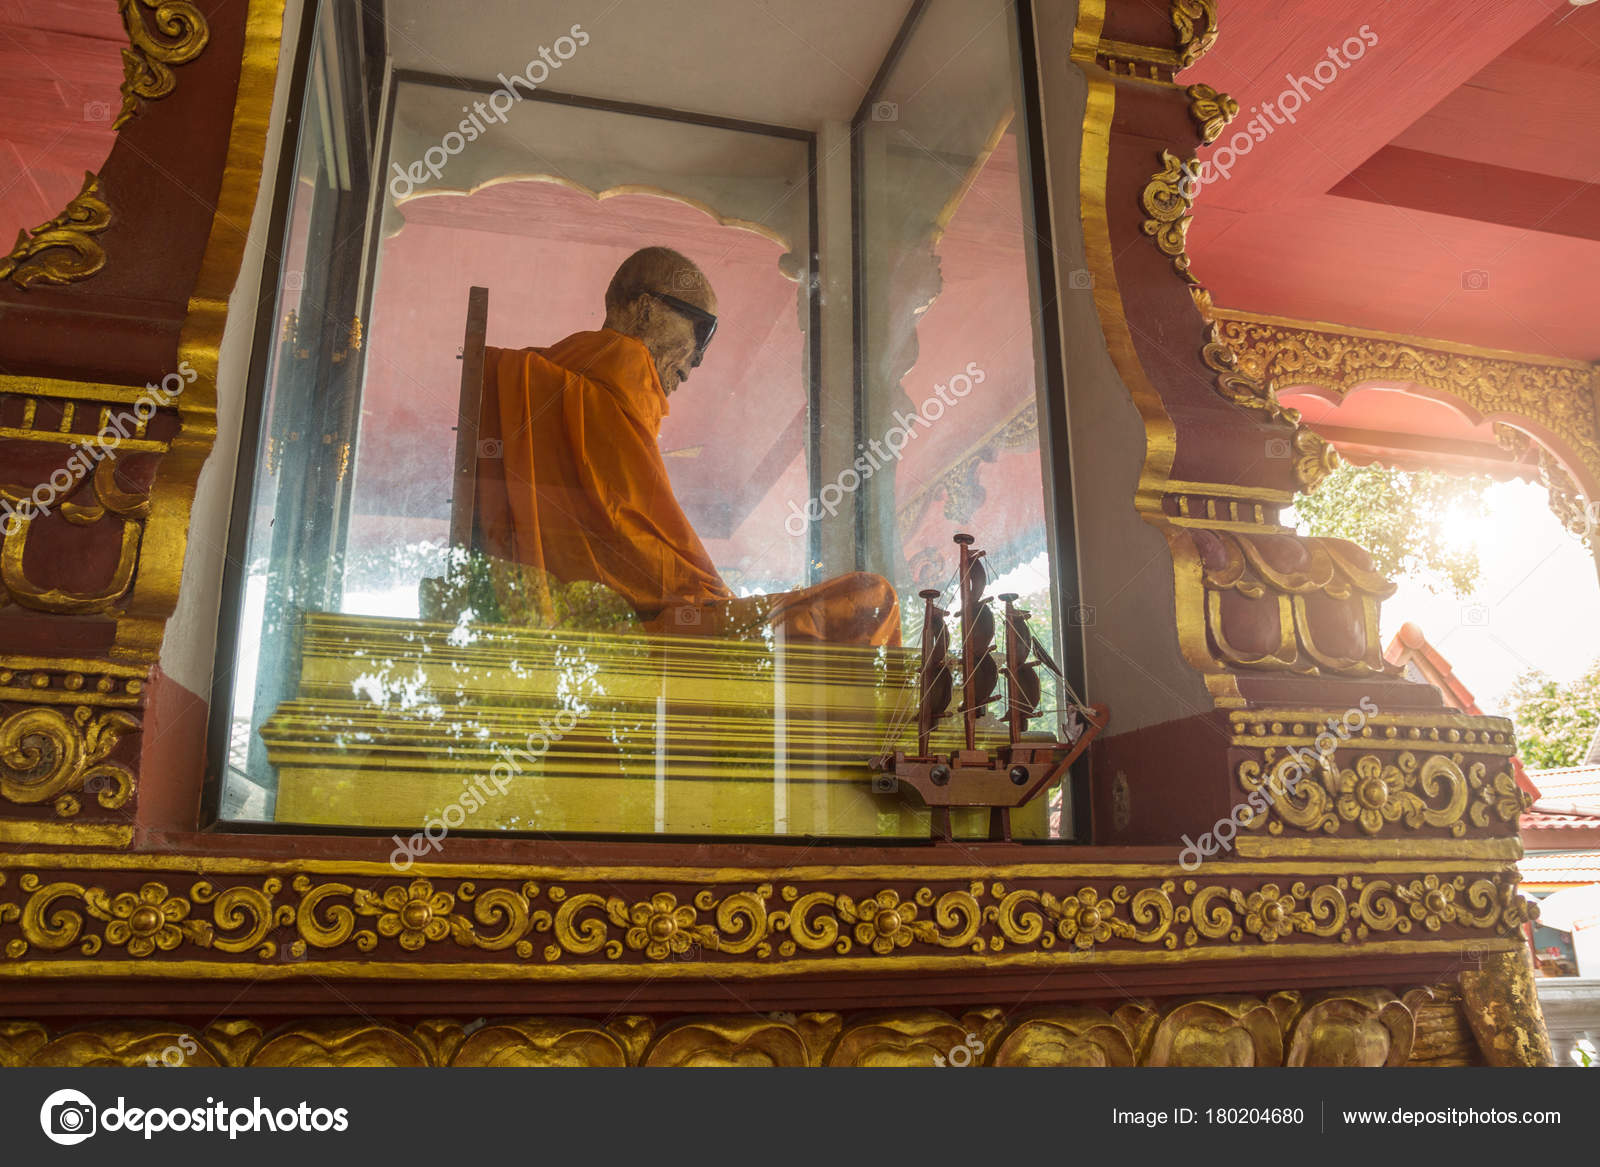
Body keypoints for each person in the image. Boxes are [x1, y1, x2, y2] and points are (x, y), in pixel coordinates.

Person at [474, 246, 900, 646]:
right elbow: (641, 553)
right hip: (657, 626)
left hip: (609, 628)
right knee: (872, 600)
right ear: (646, 309)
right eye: (701, 331)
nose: (696, 361)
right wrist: (718, 600)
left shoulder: (531, 381)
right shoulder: (622, 371)